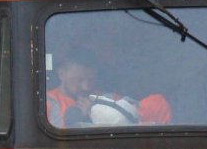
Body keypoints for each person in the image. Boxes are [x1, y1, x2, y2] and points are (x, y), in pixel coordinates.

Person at [46, 52, 174, 127]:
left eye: (91, 80)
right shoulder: (46, 102)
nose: (86, 87)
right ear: (61, 74)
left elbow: (150, 110)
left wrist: (99, 110)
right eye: (79, 80)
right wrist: (82, 117)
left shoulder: (109, 98)